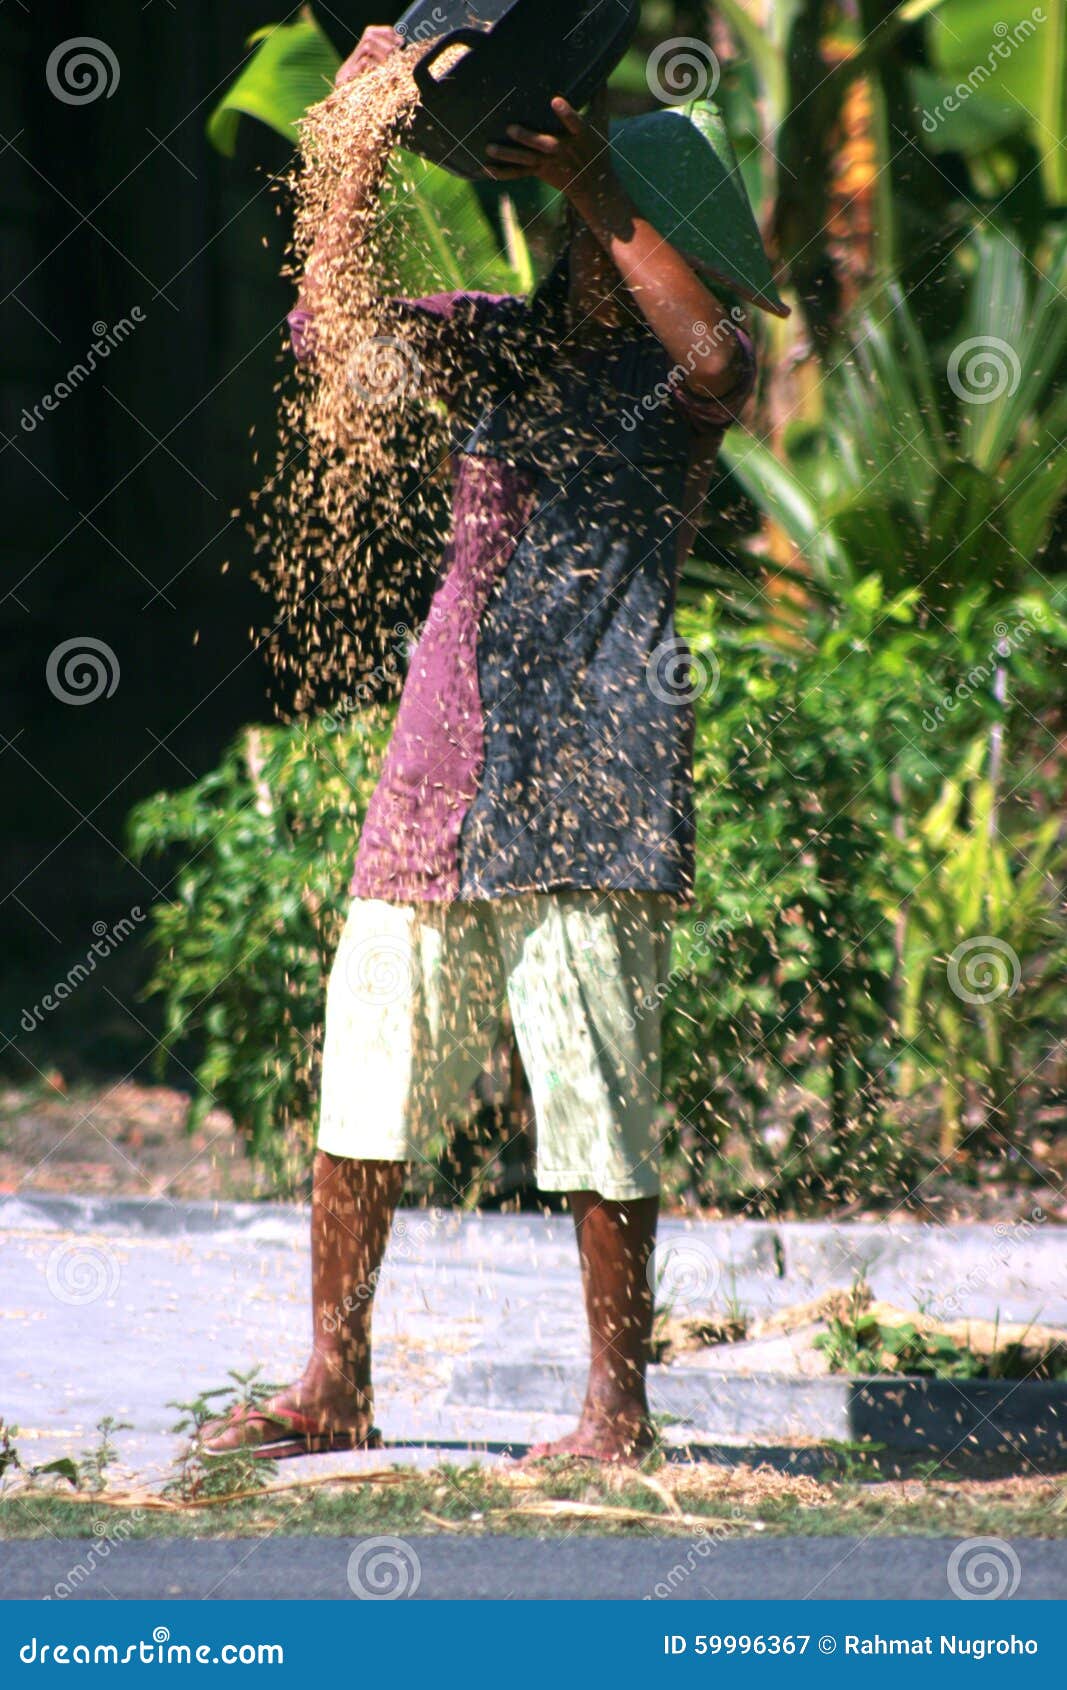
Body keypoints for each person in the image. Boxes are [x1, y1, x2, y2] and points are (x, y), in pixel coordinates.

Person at [204, 23, 758, 1464]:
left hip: (598, 750)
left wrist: (597, 189)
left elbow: (720, 363)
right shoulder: (499, 349)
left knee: (595, 1092)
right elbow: (337, 348)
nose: (585, 260)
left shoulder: (669, 384)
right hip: (442, 760)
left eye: (611, 234)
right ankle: (333, 1380)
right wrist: (361, 142)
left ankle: (612, 1413)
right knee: (367, 1074)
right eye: (577, 231)